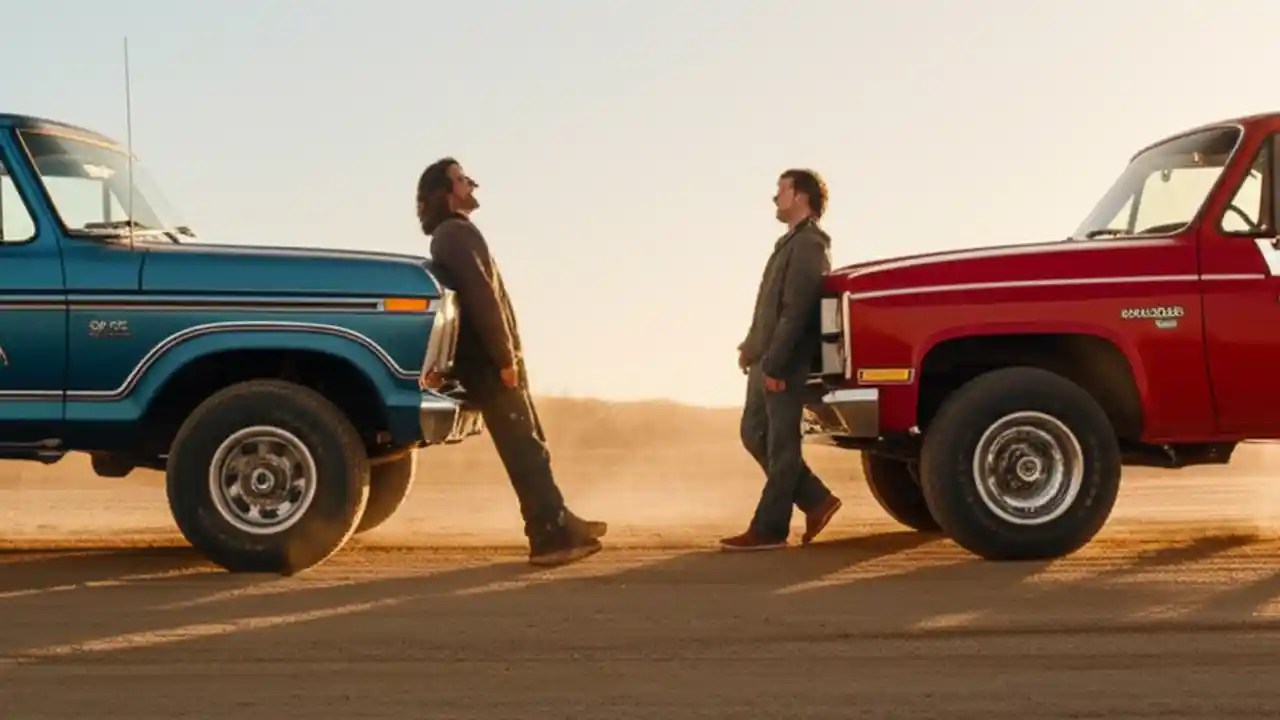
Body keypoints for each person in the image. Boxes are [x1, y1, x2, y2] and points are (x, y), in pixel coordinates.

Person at [415, 156, 606, 567]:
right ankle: (549, 537)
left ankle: (561, 519)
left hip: (492, 359)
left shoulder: (455, 234)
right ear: (445, 193)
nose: (471, 184)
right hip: (489, 362)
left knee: (529, 441)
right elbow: (482, 297)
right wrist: (504, 357)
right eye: (462, 179)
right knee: (523, 448)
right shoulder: (454, 235)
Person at [721, 168, 842, 551]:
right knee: (753, 433)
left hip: (785, 361)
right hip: (766, 356)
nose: (775, 198)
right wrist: (751, 344)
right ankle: (816, 499)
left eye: (781, 190)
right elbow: (770, 306)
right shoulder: (788, 243)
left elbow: (797, 309)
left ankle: (770, 529)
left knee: (781, 445)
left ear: (800, 196)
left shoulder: (810, 244)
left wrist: (776, 363)